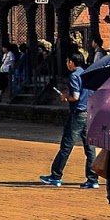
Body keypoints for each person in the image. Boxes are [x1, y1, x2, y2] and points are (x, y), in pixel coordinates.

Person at [41, 52, 96, 188]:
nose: (67, 64)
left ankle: (56, 175)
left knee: (66, 146)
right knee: (90, 148)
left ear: (72, 62)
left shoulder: (74, 75)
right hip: (89, 113)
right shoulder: (87, 74)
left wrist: (66, 97)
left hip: (78, 114)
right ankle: (92, 179)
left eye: (67, 61)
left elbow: (75, 96)